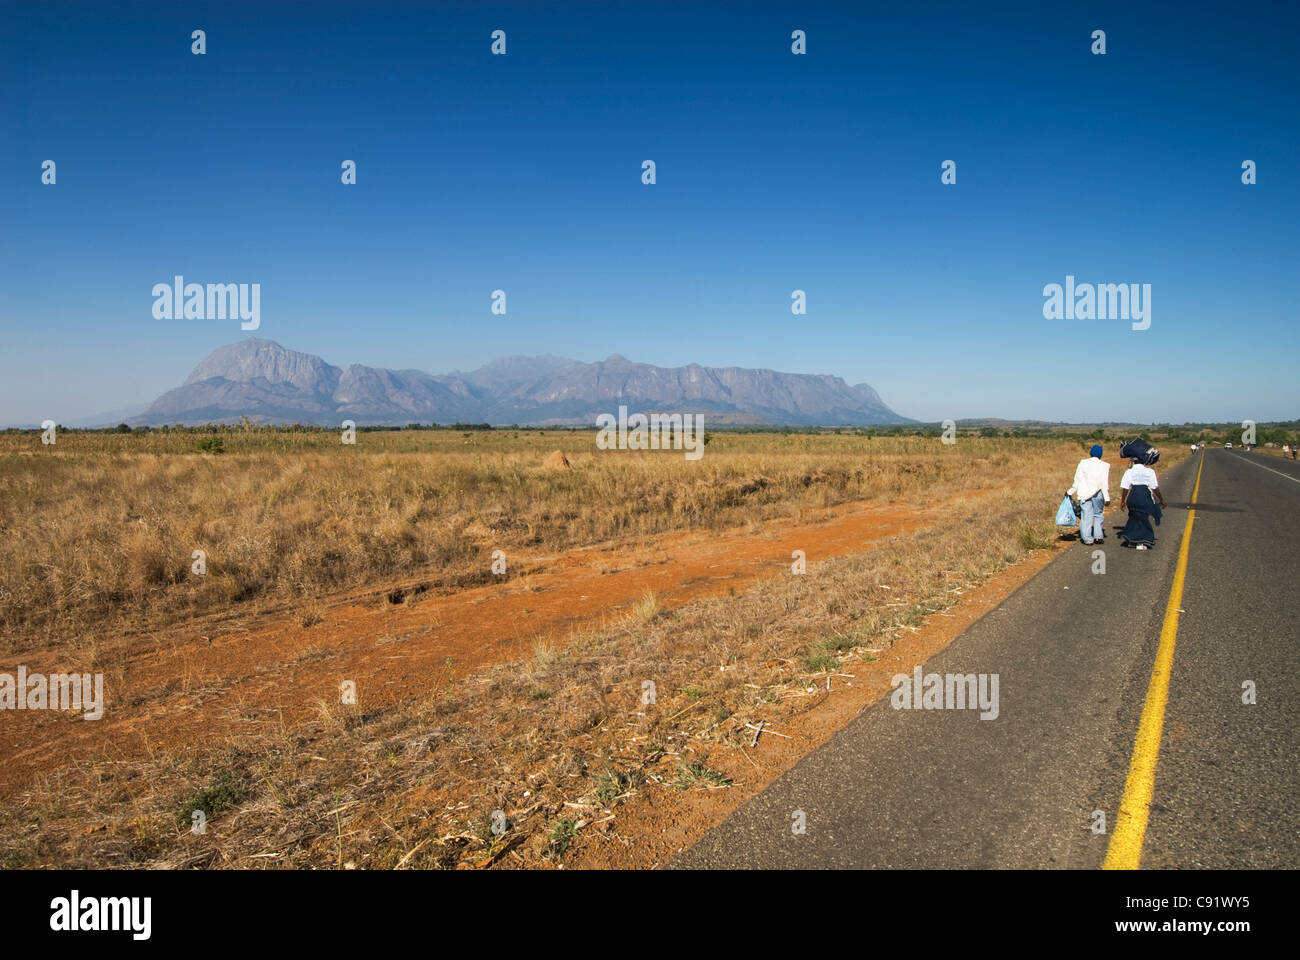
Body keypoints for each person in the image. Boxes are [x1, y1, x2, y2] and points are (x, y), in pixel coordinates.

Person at [1067, 444, 1111, 545]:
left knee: (1086, 515)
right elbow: (1104, 482)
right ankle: (1098, 536)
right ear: (1101, 455)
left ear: (1090, 453)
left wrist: (1070, 491)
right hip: (1099, 493)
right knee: (1098, 514)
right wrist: (1107, 497)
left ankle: (1087, 539)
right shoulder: (1105, 465)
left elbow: (1077, 479)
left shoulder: (1083, 463)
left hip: (1084, 493)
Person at [1118, 456, 1166, 550]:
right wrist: (1161, 499)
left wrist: (1123, 501)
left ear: (1133, 461)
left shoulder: (1129, 471)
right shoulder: (1150, 471)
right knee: (1143, 518)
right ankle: (1141, 541)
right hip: (1144, 496)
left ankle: (1132, 540)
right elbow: (1154, 487)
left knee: (1134, 517)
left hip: (1133, 496)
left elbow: (1125, 487)